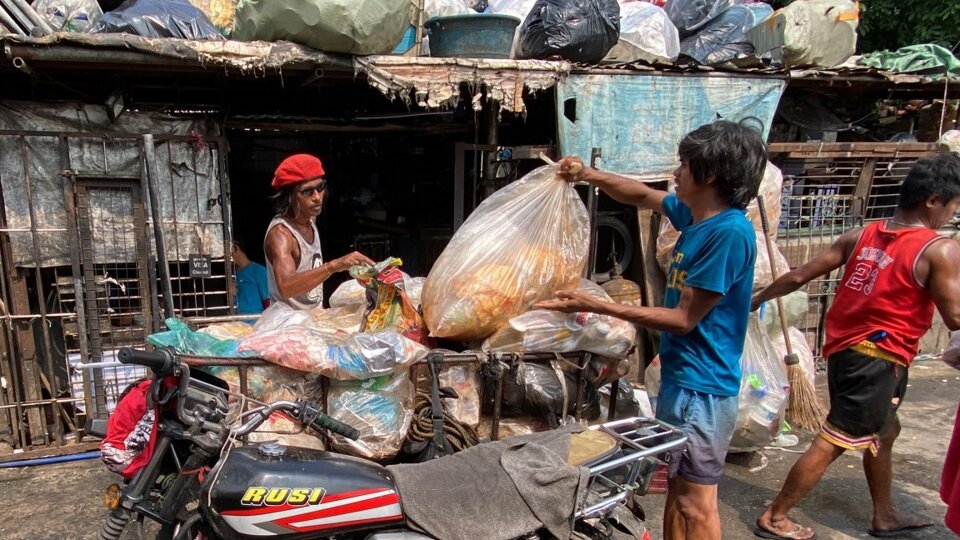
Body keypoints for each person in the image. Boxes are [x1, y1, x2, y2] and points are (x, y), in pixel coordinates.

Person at [536, 120, 767, 540]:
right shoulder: (697, 218)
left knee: (696, 505)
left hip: (704, 390)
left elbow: (683, 319)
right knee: (677, 493)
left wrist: (596, 304)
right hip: (684, 380)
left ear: (710, 174)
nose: (675, 174)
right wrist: (586, 174)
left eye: (683, 165)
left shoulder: (728, 233)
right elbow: (641, 195)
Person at [752, 153, 960, 540]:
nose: (951, 214)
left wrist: (748, 303)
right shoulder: (938, 249)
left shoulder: (862, 234)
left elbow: (798, 275)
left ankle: (884, 515)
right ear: (933, 200)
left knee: (884, 431)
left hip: (849, 353)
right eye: (953, 205)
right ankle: (775, 515)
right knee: (835, 440)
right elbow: (955, 319)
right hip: (876, 360)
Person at [264, 154, 373, 310]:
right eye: (307, 191)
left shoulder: (310, 219)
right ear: (289, 197)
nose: (317, 197)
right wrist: (333, 266)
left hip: (312, 318)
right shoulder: (281, 234)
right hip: (287, 324)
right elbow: (286, 287)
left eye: (320, 188)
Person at [231, 237, 269, 316]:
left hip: (256, 324)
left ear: (235, 249)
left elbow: (268, 302)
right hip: (235, 325)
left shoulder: (258, 271)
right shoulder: (231, 275)